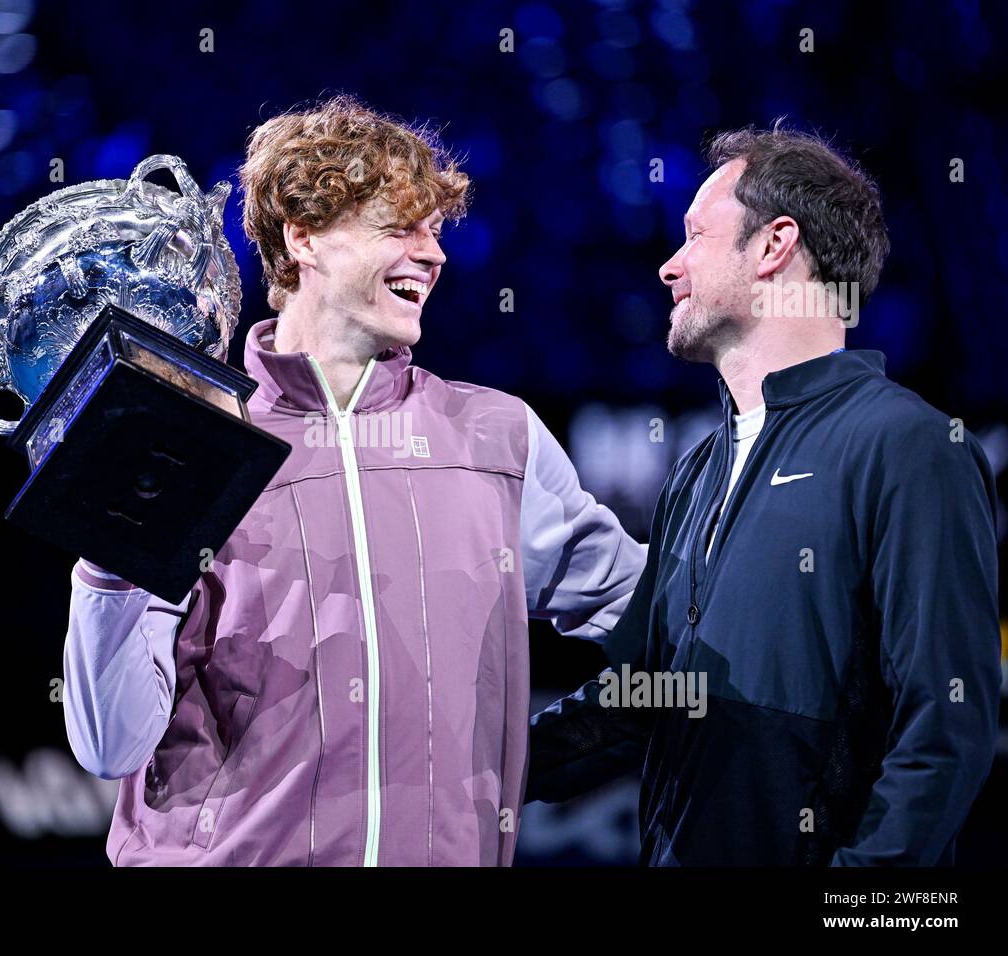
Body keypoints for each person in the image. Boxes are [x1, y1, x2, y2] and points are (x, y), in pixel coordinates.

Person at [61, 94, 646, 865]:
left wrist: (580, 737)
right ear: (304, 237)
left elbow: (657, 618)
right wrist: (108, 571)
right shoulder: (189, 444)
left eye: (435, 230)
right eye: (400, 226)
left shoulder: (496, 439)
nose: (434, 254)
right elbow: (111, 744)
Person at [528, 121, 1000, 866]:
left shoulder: (907, 447)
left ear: (775, 245)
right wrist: (475, 772)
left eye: (694, 235)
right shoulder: (699, 469)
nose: (668, 267)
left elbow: (947, 724)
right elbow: (643, 698)